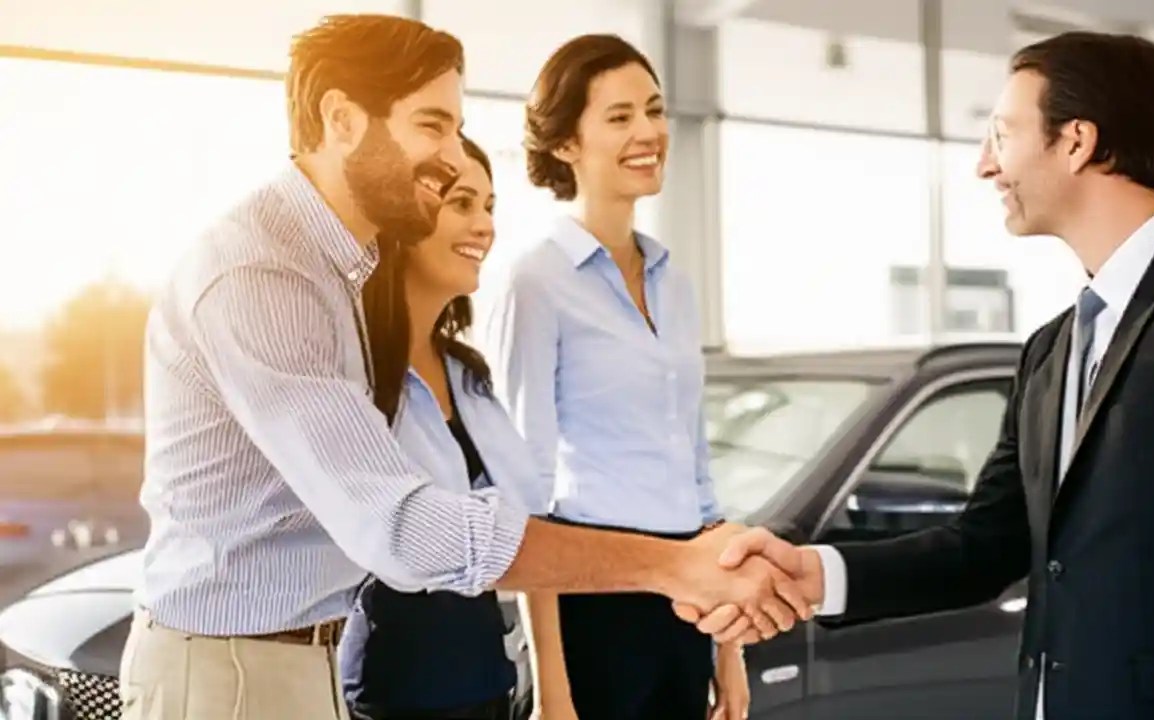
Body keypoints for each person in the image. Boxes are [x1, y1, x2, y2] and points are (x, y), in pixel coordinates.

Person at [123, 14, 811, 720]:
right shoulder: (264, 274)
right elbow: (402, 528)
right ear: (343, 120)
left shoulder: (335, 277)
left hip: (296, 659)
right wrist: (671, 567)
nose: (454, 156)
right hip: (232, 673)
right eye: (433, 126)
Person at [679, 31, 1154, 720]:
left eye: (1001, 134)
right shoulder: (1051, 350)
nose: (985, 167)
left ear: (1077, 141)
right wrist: (811, 573)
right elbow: (982, 547)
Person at [486, 34, 752, 720]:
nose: (649, 132)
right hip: (592, 604)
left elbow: (696, 476)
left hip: (686, 596)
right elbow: (525, 497)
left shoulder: (674, 281)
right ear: (567, 144)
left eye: (655, 110)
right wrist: (552, 683)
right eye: (619, 117)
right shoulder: (535, 282)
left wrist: (728, 646)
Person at [337, 136, 527, 720]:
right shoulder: (354, 370)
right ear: (409, 211)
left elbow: (528, 521)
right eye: (463, 203)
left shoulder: (469, 375)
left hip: (487, 678)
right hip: (393, 690)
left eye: (490, 206)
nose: (485, 225)